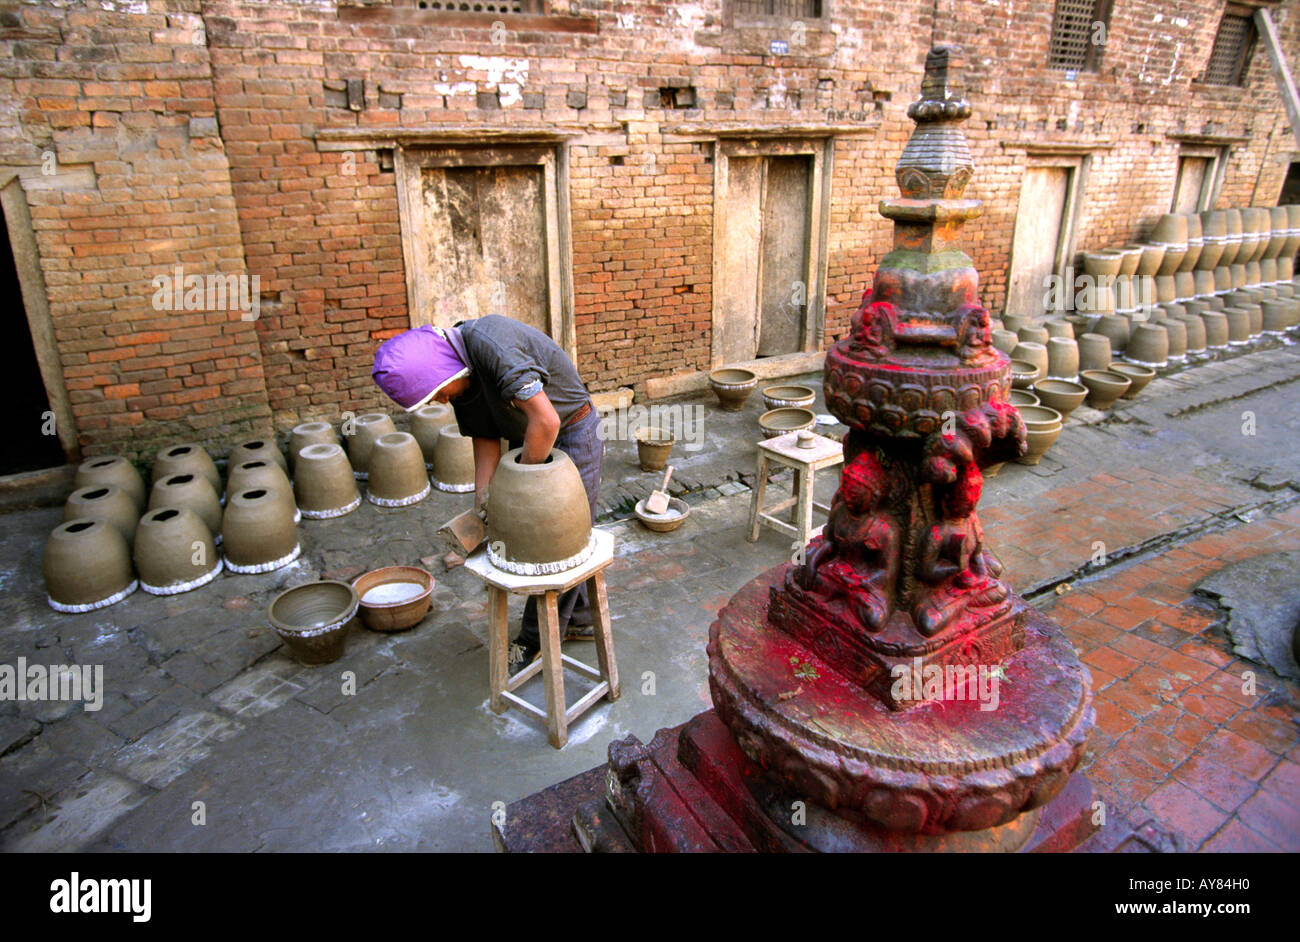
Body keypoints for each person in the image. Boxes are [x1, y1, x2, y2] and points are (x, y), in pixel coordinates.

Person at [371, 316, 602, 673]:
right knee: (547, 530)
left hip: (572, 429)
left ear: (446, 371)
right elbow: (485, 439)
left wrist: (517, 487)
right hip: (531, 436)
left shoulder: (493, 344)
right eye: (435, 398)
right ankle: (580, 618)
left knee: (561, 541)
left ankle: (533, 638)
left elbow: (547, 421)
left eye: (440, 392)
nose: (444, 401)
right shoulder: (459, 377)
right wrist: (483, 505)